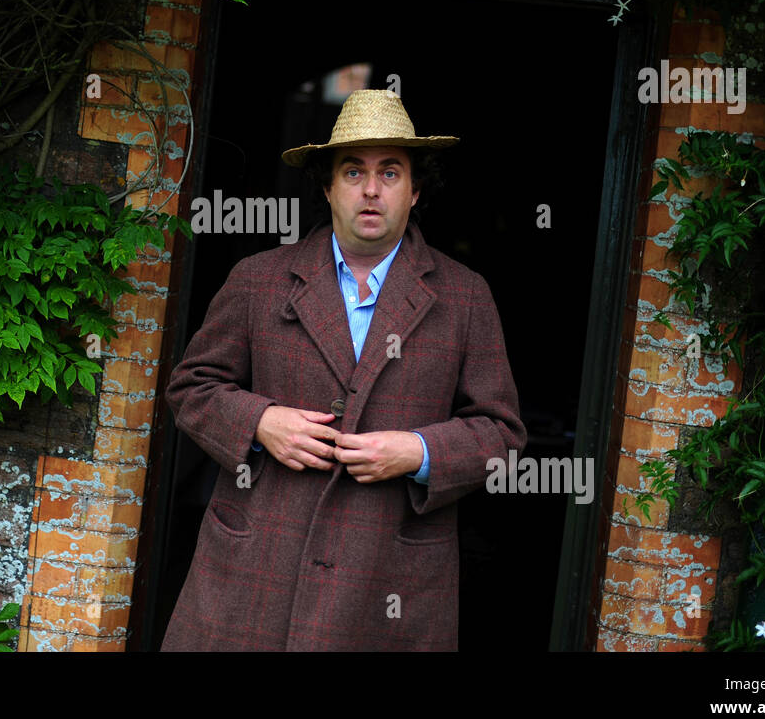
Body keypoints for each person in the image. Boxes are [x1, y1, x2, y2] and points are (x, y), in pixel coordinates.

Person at [160, 88, 525, 651]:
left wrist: (419, 452)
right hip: (258, 566)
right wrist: (261, 422)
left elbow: (502, 434)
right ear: (328, 187)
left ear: (416, 189)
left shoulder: (465, 296)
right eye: (353, 172)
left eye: (391, 172)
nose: (372, 189)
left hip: (387, 579)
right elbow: (191, 388)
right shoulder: (258, 278)